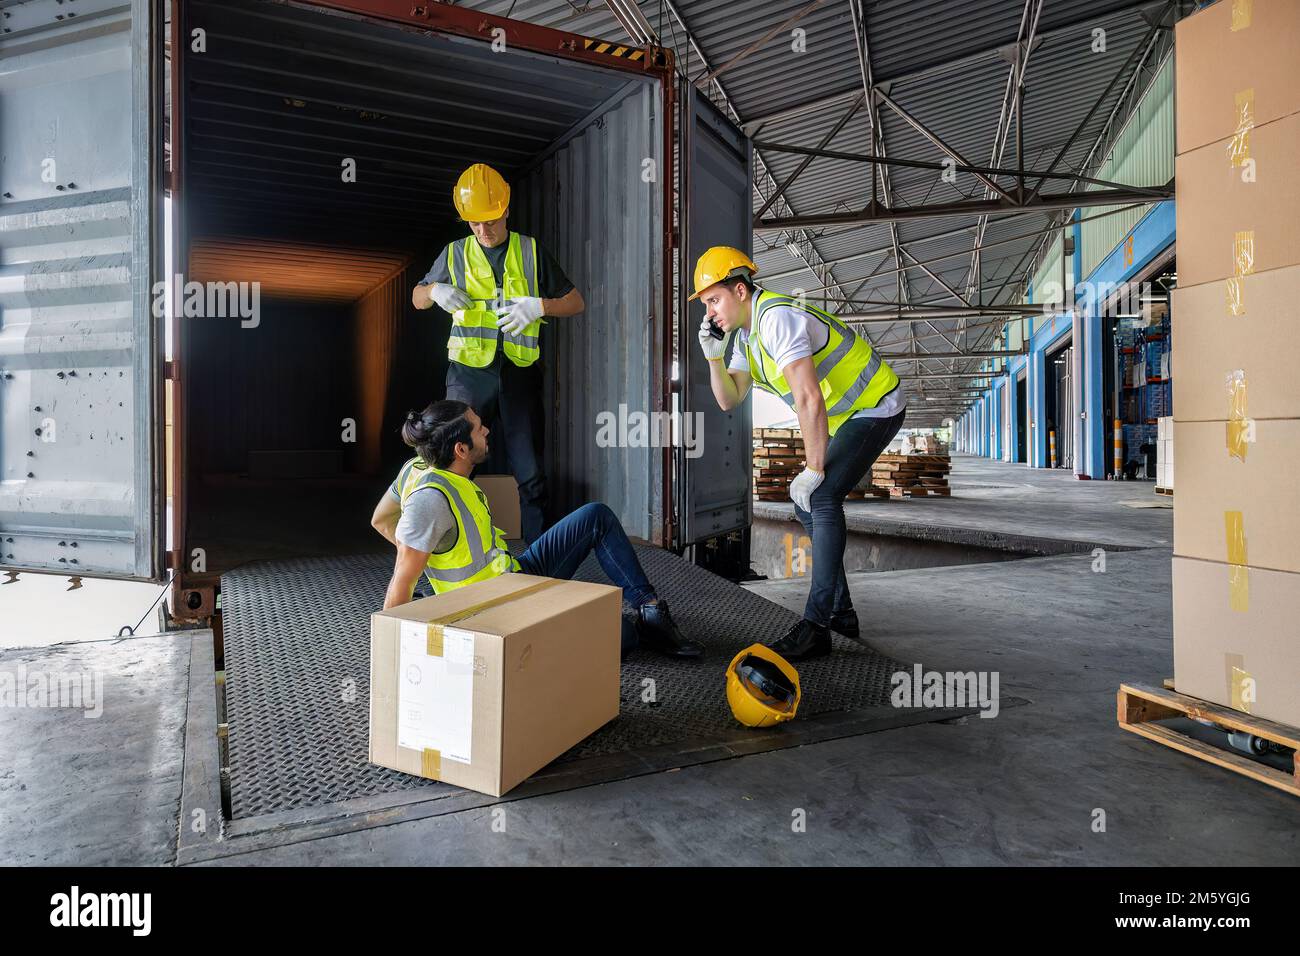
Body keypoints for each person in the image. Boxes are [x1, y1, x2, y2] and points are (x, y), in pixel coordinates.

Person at [692, 246, 907, 661]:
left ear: (740, 290)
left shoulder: (776, 319)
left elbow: (809, 399)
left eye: (713, 300)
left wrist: (812, 468)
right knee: (807, 501)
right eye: (705, 305)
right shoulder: (745, 340)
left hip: (878, 403)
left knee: (821, 495)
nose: (710, 314)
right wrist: (713, 358)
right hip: (849, 415)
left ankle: (817, 626)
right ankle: (841, 612)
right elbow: (728, 399)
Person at [370, 399, 704, 660]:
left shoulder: (420, 467)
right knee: (621, 637)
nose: (486, 430)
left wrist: (428, 557)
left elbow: (381, 520)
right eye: (477, 428)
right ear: (460, 450)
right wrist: (400, 657)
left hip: (514, 577)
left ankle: (649, 611)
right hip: (493, 613)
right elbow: (401, 584)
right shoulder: (430, 500)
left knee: (595, 517)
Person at [411, 163, 585, 544]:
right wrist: (435, 293)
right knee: (449, 467)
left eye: (489, 220)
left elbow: (575, 302)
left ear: (506, 209)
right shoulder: (454, 253)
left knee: (532, 473)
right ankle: (443, 565)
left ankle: (539, 565)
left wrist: (541, 306)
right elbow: (417, 297)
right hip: (469, 373)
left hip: (519, 372)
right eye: (473, 223)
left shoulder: (531, 251)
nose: (482, 231)